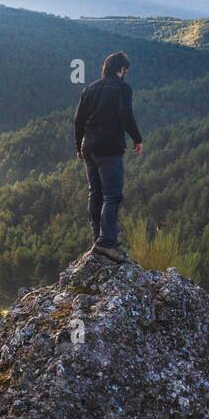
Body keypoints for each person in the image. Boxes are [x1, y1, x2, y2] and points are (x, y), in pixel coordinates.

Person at [74, 50, 142, 263]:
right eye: (125, 71)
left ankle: (98, 239)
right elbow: (126, 115)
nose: (125, 74)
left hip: (89, 146)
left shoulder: (89, 89)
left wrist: (78, 146)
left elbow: (78, 121)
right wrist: (137, 138)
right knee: (112, 195)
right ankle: (107, 242)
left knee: (95, 192)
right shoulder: (122, 88)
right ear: (120, 70)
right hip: (109, 147)